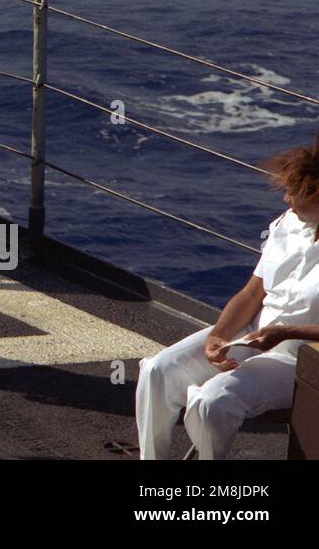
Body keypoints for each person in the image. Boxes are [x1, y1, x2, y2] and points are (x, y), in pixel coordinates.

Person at [135, 136, 319, 459]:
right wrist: (219, 335)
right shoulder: (289, 224)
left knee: (211, 403)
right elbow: (251, 293)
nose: (287, 199)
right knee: (157, 371)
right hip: (252, 335)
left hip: (295, 357)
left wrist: (285, 333)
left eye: (298, 193)